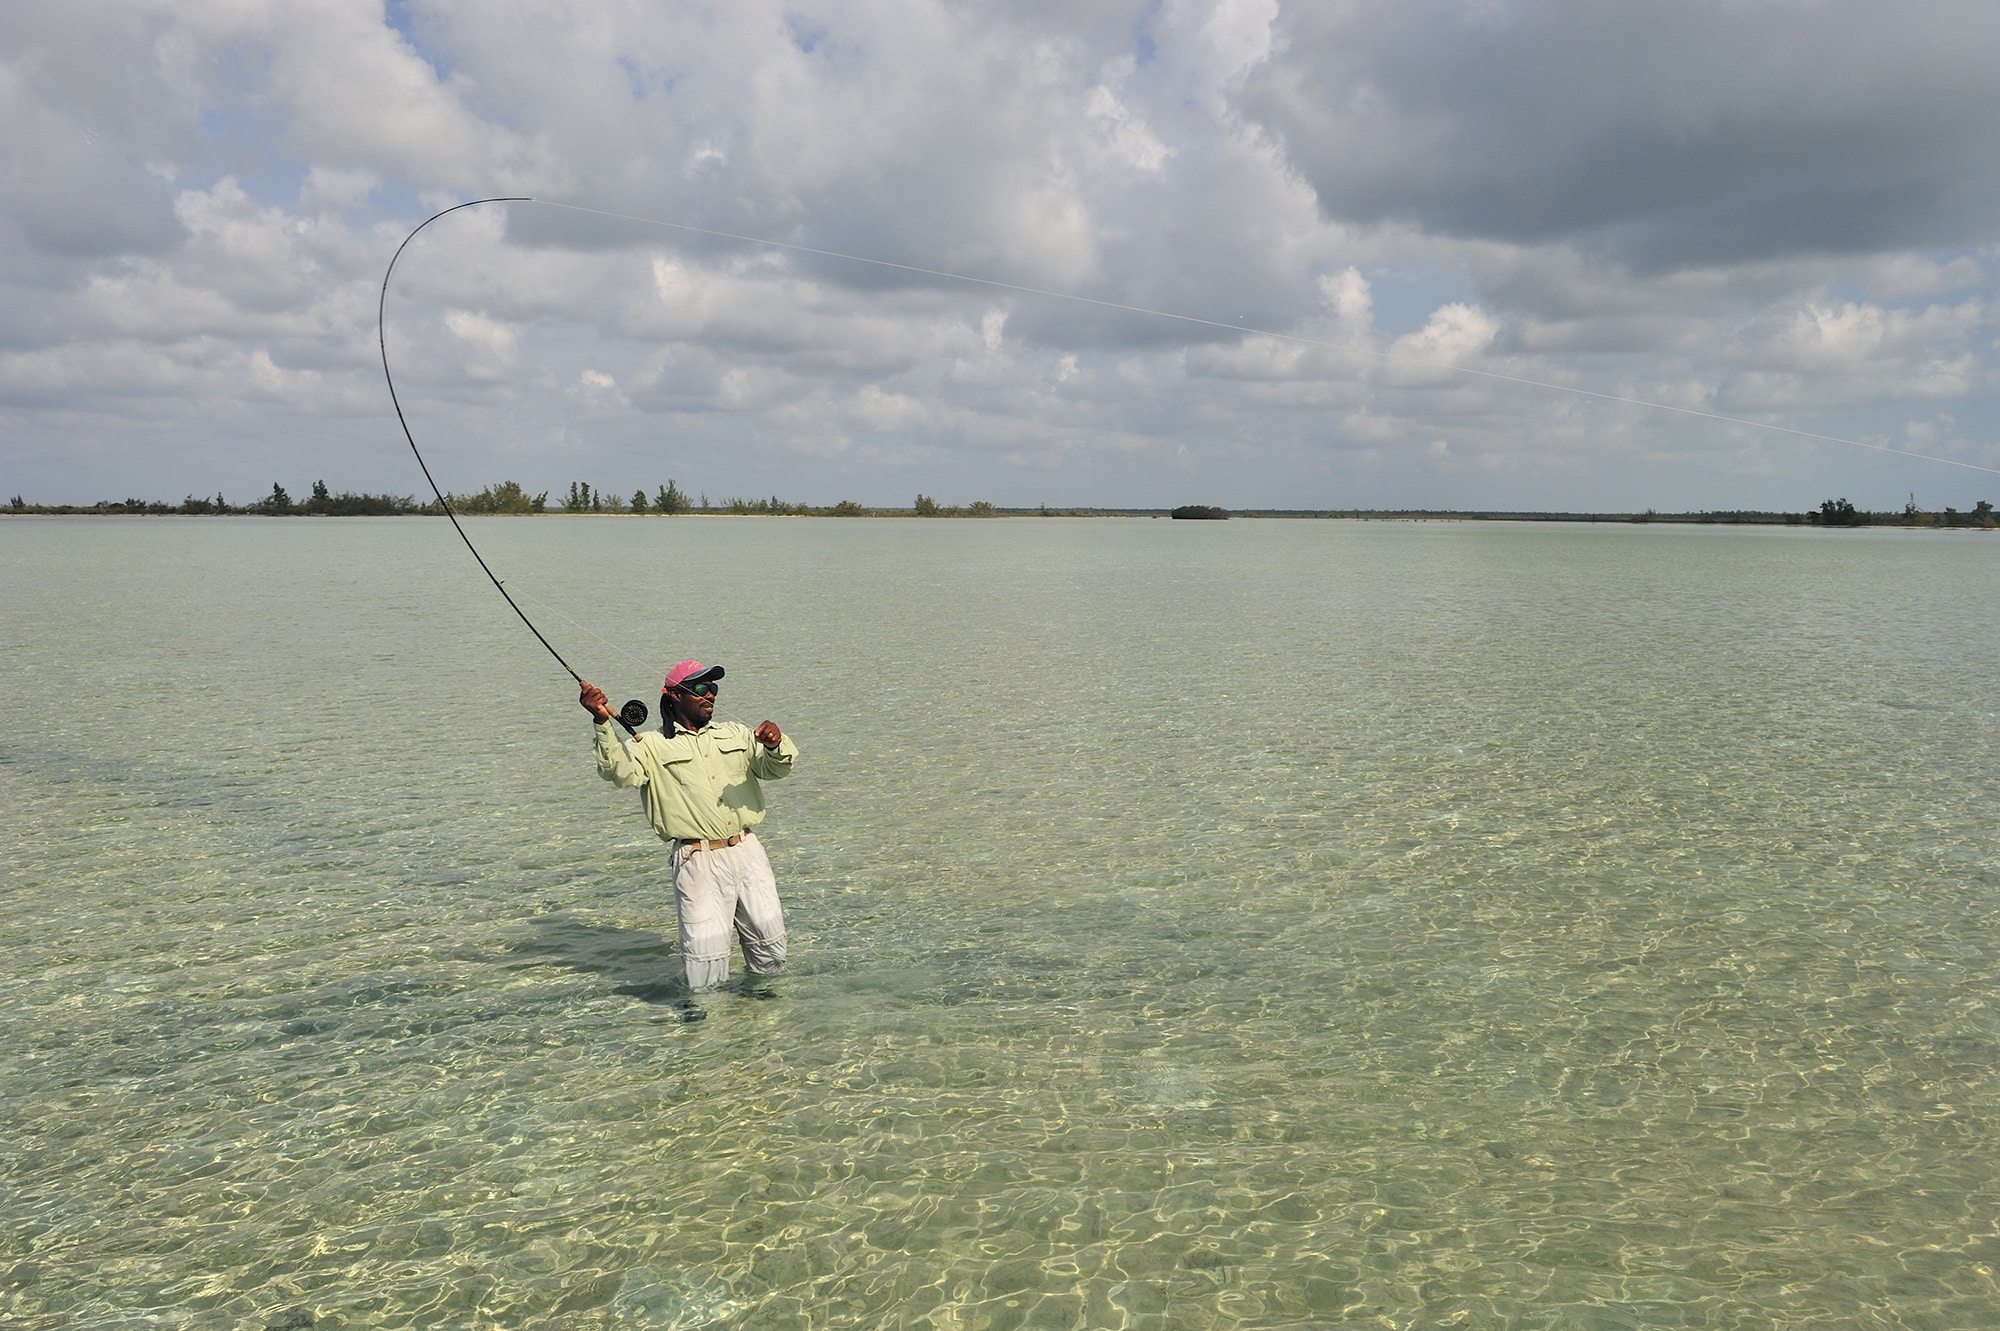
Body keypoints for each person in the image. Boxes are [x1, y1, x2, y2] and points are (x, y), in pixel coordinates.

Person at [578, 660, 798, 990]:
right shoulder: (649, 745)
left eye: (712, 688)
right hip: (697, 859)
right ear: (673, 696)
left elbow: (775, 769)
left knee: (771, 949)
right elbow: (617, 772)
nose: (708, 694)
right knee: (705, 960)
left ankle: (767, 1018)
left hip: (748, 851)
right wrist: (601, 721)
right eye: (698, 688)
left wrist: (775, 744)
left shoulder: (737, 734)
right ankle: (705, 1028)